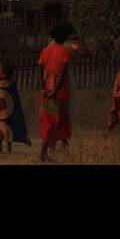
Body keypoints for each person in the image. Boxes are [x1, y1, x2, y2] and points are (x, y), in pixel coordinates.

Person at [37, 23, 74, 162]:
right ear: (65, 37)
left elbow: (40, 68)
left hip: (47, 87)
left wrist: (43, 85)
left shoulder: (46, 50)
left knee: (48, 119)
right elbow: (63, 73)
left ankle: (44, 153)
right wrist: (56, 90)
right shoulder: (64, 51)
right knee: (61, 118)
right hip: (60, 89)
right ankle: (63, 150)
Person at [0, 64, 31, 146]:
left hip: (5, 108)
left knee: (3, 125)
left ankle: (1, 147)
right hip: (13, 106)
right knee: (11, 125)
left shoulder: (2, 84)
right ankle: (11, 145)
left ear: (4, 74)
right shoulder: (12, 82)